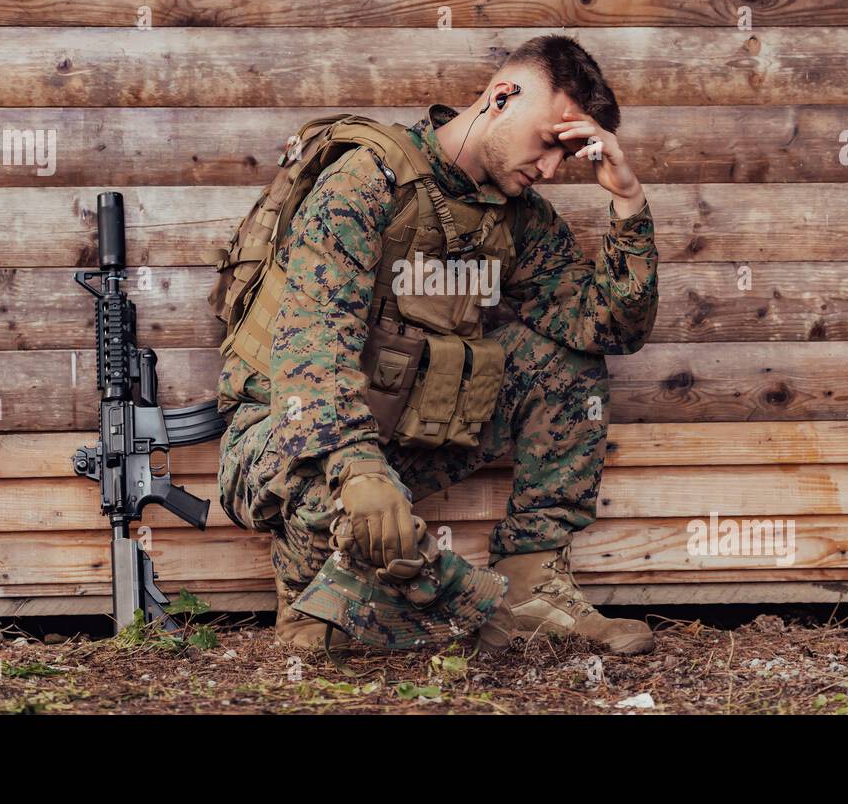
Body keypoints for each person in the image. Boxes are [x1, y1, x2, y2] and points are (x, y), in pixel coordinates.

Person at [216, 34, 660, 654]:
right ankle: (356, 605)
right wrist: (361, 473)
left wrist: (627, 202)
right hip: (287, 438)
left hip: (405, 436)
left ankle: (531, 585)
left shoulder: (517, 216)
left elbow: (607, 327)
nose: (553, 169)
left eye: (566, 155)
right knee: (343, 530)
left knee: (564, 361)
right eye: (547, 145)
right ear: (502, 96)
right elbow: (312, 353)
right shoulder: (367, 181)